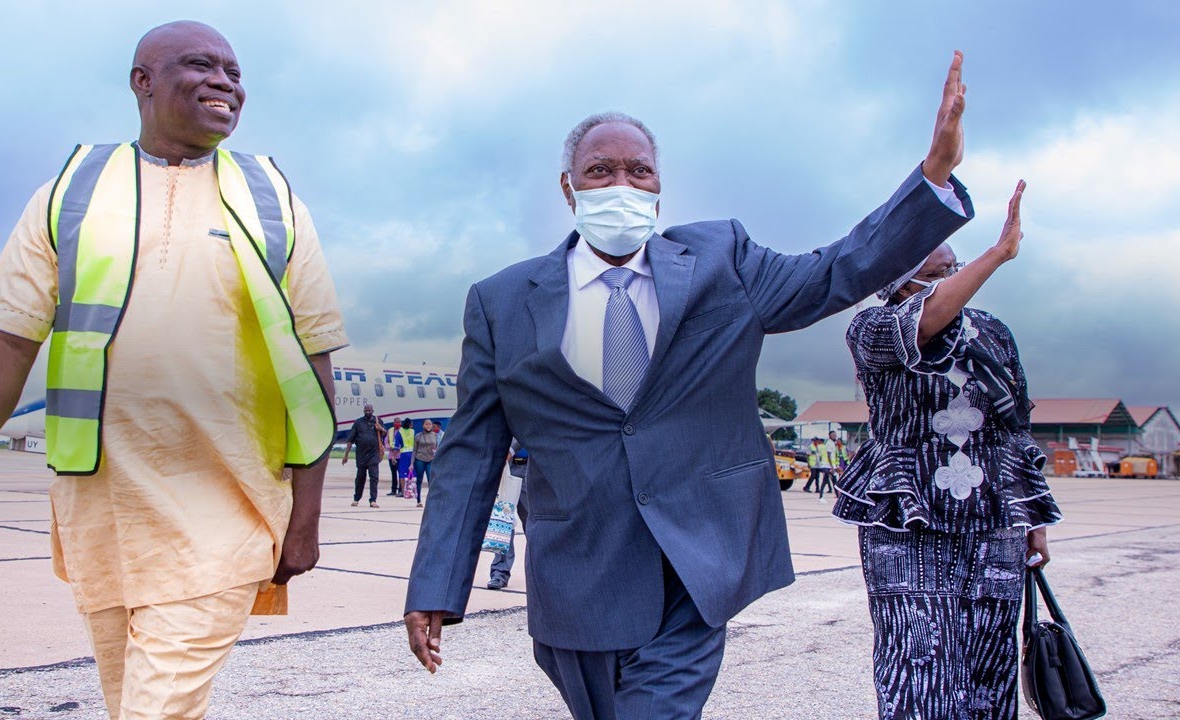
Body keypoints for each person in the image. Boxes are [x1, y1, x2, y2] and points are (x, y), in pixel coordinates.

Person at [405, 52, 976, 719]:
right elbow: (471, 454)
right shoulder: (501, 302)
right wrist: (436, 583)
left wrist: (932, 175)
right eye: (601, 170)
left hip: (695, 562)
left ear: (657, 188)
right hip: (579, 571)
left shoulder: (720, 260)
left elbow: (835, 272)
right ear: (569, 188)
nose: (621, 182)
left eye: (637, 170)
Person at [0, 21, 347, 720]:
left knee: (155, 711)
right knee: (131, 705)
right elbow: (8, 338)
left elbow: (314, 363)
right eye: (201, 65)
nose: (226, 82)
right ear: (142, 80)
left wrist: (306, 518)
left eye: (235, 72)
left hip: (229, 509)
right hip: (104, 515)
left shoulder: (274, 199)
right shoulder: (72, 191)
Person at [832, 182, 1062, 719]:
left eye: (954, 268)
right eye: (938, 274)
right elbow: (926, 322)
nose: (953, 281)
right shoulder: (872, 328)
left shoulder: (994, 334)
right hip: (906, 519)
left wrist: (1034, 519)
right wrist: (997, 255)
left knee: (990, 663)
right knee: (920, 665)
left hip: (994, 519)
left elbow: (1016, 428)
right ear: (895, 277)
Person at [487, 441, 529, 590]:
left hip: (531, 468)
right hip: (507, 468)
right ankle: (499, 573)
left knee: (533, 524)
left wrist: (511, 448)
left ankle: (540, 573)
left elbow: (525, 427)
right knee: (503, 521)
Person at [342, 403, 384, 508]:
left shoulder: (378, 421)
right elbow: (350, 440)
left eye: (369, 411)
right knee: (360, 477)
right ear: (363, 411)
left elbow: (385, 433)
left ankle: (373, 500)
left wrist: (381, 429)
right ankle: (356, 498)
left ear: (373, 411)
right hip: (361, 455)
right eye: (366, 411)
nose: (368, 413)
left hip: (374, 454)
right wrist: (346, 454)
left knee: (374, 477)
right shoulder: (358, 423)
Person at [411, 419, 439, 507]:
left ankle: (431, 500)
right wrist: (411, 463)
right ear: (423, 425)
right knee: (419, 480)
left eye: (430, 424)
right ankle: (418, 500)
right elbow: (414, 450)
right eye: (426, 424)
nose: (428, 426)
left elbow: (437, 447)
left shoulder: (435, 435)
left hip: (430, 460)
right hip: (420, 459)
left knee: (431, 480)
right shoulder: (418, 436)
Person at [386, 419, 404, 496]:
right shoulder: (390, 430)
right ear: (393, 423)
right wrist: (389, 447)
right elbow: (386, 441)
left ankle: (400, 490)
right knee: (393, 474)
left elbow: (404, 442)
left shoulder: (403, 431)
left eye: (399, 422)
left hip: (400, 455)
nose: (398, 424)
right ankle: (393, 490)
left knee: (400, 473)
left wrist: (398, 448)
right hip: (391, 455)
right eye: (396, 422)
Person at [398, 418, 416, 488]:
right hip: (412, 454)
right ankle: (412, 490)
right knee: (412, 473)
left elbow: (396, 444)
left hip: (403, 454)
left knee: (402, 474)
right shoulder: (413, 431)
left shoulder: (400, 431)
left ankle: (403, 491)